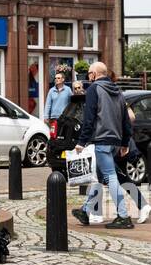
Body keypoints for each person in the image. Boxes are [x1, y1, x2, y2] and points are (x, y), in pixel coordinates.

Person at [72, 61, 134, 229]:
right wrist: (125, 142)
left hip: (102, 140)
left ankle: (123, 216)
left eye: (89, 74)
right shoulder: (118, 91)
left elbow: (89, 118)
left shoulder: (94, 89)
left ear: (94, 74)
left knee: (110, 177)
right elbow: (125, 120)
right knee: (99, 177)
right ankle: (85, 211)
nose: (88, 77)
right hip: (114, 141)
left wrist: (82, 142)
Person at [42, 68, 72, 134]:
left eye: (58, 78)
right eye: (55, 78)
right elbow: (48, 104)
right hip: (54, 118)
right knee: (54, 135)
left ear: (63, 79)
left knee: (64, 135)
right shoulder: (51, 91)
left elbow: (71, 103)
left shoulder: (68, 90)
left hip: (65, 118)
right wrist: (46, 116)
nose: (56, 80)